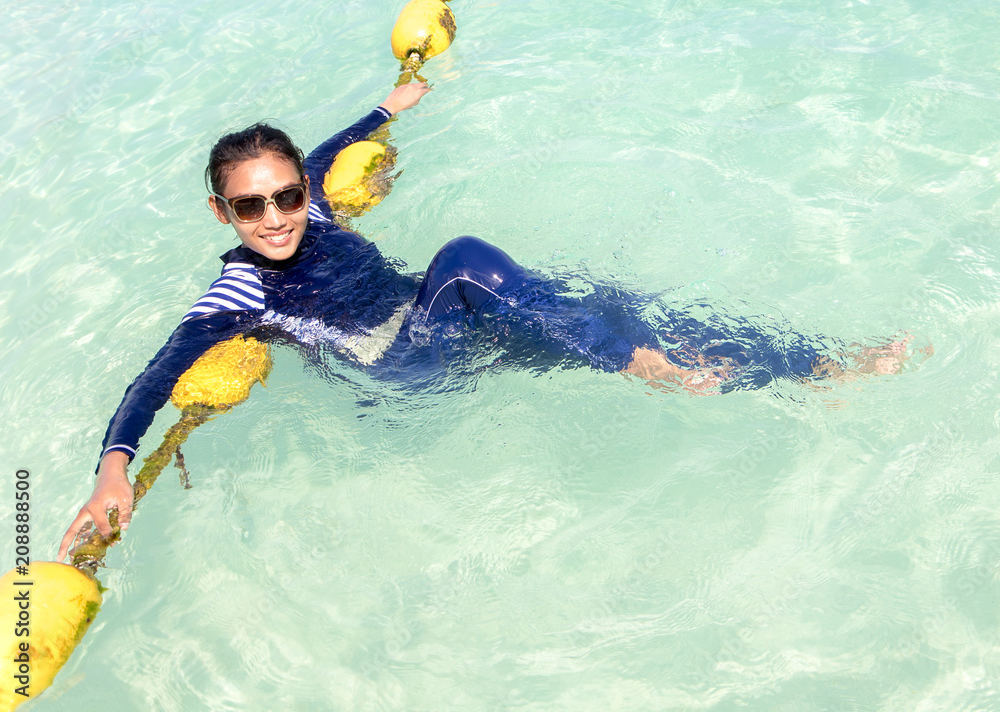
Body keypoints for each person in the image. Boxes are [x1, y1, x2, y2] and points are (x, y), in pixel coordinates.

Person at [58, 82, 917, 560]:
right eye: (253, 207)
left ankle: (817, 369)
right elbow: (153, 377)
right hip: (404, 365)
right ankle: (639, 366)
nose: (278, 215)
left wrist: (393, 106)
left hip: (454, 328)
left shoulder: (313, 204)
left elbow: (330, 147)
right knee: (468, 259)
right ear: (223, 214)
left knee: (611, 309)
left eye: (286, 194)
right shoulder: (235, 297)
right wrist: (114, 468)